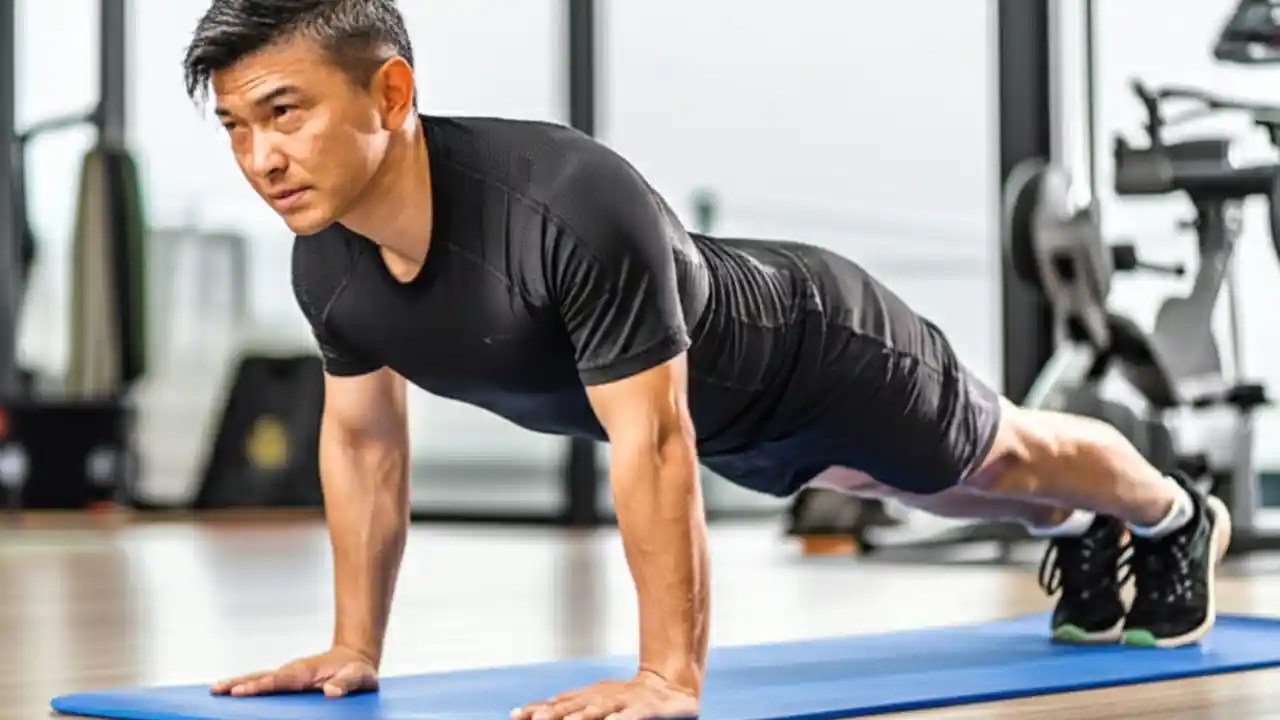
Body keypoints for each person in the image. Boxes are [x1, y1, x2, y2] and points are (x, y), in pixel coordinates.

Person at [186, 1, 1231, 718]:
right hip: (734, 418)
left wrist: (666, 677)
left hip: (825, 349)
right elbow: (365, 446)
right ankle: (1094, 523)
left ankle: (1173, 514)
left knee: (995, 459)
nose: (258, 159)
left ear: (390, 93)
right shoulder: (325, 267)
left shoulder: (563, 202)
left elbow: (649, 443)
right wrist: (352, 650)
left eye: (284, 113)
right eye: (235, 126)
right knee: (944, 497)